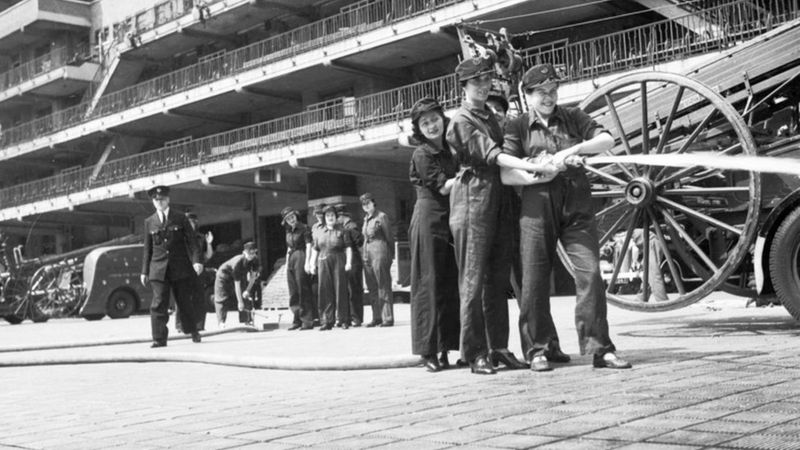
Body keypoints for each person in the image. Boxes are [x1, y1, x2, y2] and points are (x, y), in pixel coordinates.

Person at [502, 63, 632, 371]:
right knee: (533, 280)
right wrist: (539, 171)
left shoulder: (573, 117)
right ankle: (538, 349)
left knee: (590, 274)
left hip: (576, 205)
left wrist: (575, 149)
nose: (548, 98)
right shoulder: (517, 126)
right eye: (541, 93)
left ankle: (600, 348)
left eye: (552, 91)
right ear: (528, 95)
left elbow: (606, 140)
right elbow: (507, 174)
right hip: (537, 205)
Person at [446, 56, 558, 374]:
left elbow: (511, 148)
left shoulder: (493, 117)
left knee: (497, 281)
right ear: (464, 86)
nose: (483, 85)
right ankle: (475, 352)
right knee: (473, 281)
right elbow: (495, 156)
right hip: (472, 204)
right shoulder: (461, 120)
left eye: (486, 79)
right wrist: (532, 167)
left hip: (499, 201)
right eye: (476, 81)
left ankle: (499, 347)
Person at [407, 97, 460, 372]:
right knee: (429, 284)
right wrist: (468, 175)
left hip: (451, 218)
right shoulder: (422, 154)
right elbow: (443, 187)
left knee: (448, 284)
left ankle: (447, 347)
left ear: (442, 118)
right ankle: (429, 351)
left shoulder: (451, 148)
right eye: (424, 122)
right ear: (419, 128)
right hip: (429, 221)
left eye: (434, 119)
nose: (431, 125)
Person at [140, 185, 202, 347]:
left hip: (179, 267)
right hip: (158, 269)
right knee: (159, 303)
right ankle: (159, 339)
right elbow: (148, 249)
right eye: (156, 200)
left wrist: (197, 261)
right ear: (153, 202)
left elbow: (192, 242)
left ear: (168, 200)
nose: (159, 202)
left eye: (162, 199)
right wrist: (144, 271)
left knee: (184, 302)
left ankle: (193, 331)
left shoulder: (180, 218)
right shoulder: (149, 222)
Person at [309, 205, 353, 330]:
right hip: (323, 260)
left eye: (332, 215)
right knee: (325, 291)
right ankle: (327, 321)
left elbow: (348, 248)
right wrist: (312, 264)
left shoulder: (342, 230)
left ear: (336, 217)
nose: (330, 218)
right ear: (324, 218)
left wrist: (348, 262)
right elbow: (315, 249)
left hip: (339, 260)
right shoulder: (319, 232)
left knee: (341, 290)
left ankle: (343, 320)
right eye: (327, 216)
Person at [174, 212, 214, 333]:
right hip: (183, 271)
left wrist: (209, 243)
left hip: (198, 272)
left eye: (194, 222)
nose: (192, 224)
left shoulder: (200, 238)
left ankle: (199, 325)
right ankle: (180, 325)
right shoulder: (179, 237)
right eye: (189, 222)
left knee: (199, 298)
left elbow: (208, 256)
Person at [360, 193, 394, 327]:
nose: (366, 206)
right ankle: (377, 317)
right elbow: (365, 238)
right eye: (364, 204)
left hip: (380, 249)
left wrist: (390, 255)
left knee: (383, 284)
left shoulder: (381, 216)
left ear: (373, 203)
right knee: (372, 286)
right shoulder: (366, 219)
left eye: (368, 203)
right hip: (367, 252)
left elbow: (389, 237)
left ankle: (388, 317)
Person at [213, 241, 261, 329]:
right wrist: (240, 302)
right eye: (249, 253)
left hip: (239, 276)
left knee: (245, 295)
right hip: (224, 276)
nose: (251, 255)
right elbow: (237, 285)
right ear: (244, 253)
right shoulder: (238, 262)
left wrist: (247, 290)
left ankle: (246, 320)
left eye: (253, 253)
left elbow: (253, 277)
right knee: (222, 298)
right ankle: (221, 322)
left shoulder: (255, 260)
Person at [282, 207, 314, 330]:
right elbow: (288, 248)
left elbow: (309, 245)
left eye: (292, 216)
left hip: (301, 255)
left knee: (302, 288)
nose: (291, 219)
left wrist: (308, 262)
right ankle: (297, 319)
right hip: (291, 258)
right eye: (288, 218)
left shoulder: (304, 228)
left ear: (296, 215)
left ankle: (307, 320)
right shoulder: (288, 230)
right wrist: (286, 264)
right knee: (293, 290)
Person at [336, 203, 365, 327]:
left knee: (354, 288)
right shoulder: (343, 227)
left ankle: (356, 317)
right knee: (347, 289)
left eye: (339, 216)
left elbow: (359, 243)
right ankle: (348, 317)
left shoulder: (351, 227)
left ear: (343, 216)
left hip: (353, 258)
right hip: (345, 258)